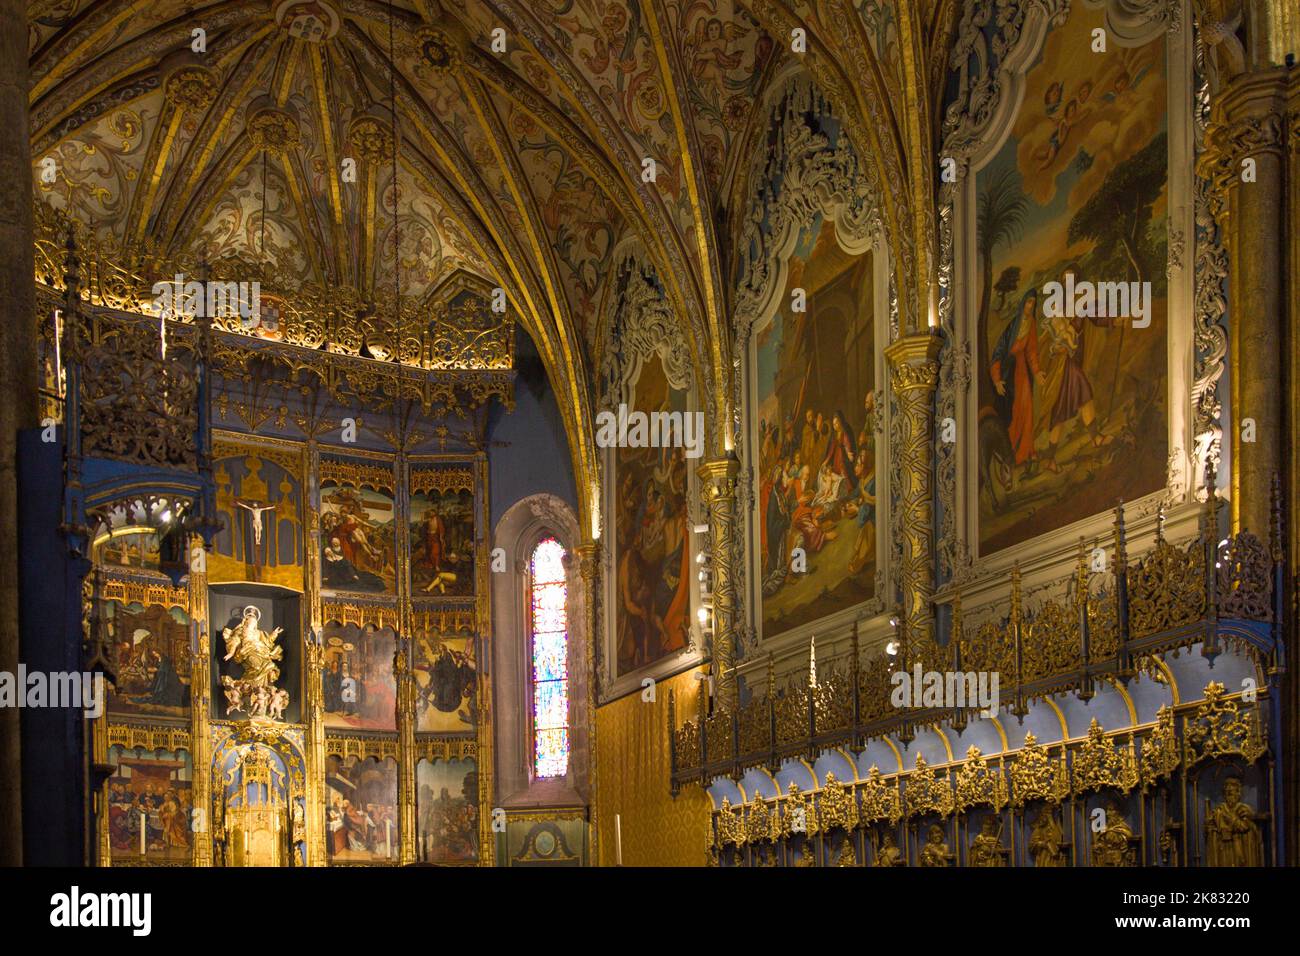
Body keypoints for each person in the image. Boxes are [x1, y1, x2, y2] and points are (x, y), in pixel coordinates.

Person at [990, 290, 1043, 474]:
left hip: (1023, 371)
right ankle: (1012, 452)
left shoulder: (1032, 324)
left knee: (1027, 408)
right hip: (1009, 371)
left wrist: (1036, 372)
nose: (1030, 306)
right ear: (1023, 304)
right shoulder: (1013, 326)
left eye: (1033, 303)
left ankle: (1027, 450)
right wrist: (997, 380)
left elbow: (1032, 351)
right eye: (1028, 302)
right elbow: (999, 352)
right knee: (1014, 411)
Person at [1205, 777, 1263, 867]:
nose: (1230, 797)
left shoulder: (1243, 809)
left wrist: (1231, 820)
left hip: (1240, 846)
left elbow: (1245, 826)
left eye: (1232, 793)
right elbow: (1209, 827)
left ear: (1238, 794)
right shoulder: (1219, 810)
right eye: (1227, 794)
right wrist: (1210, 827)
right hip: (1223, 848)